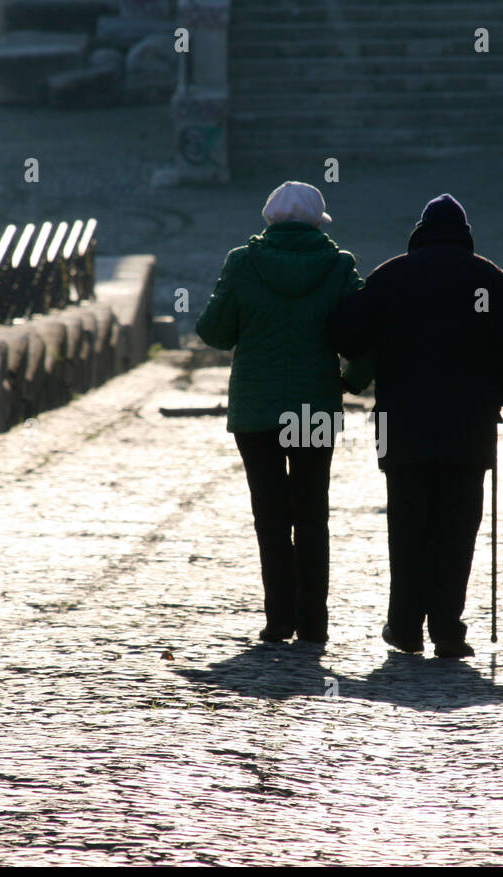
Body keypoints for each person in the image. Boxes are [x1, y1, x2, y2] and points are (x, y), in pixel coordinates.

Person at [329, 194, 503, 659]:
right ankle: (447, 629)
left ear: (419, 231)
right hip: (470, 426)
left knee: (407, 526)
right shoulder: (487, 277)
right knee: (457, 529)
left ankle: (404, 627)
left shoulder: (391, 275)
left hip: (401, 426)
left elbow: (345, 333)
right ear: (464, 234)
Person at [196, 181, 371, 645]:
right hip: (314, 407)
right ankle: (314, 623)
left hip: (257, 410)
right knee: (313, 514)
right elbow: (368, 333)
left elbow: (213, 332)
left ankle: (279, 620)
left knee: (271, 517)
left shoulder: (242, 262)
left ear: (269, 218)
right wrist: (352, 379)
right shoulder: (339, 266)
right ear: (317, 221)